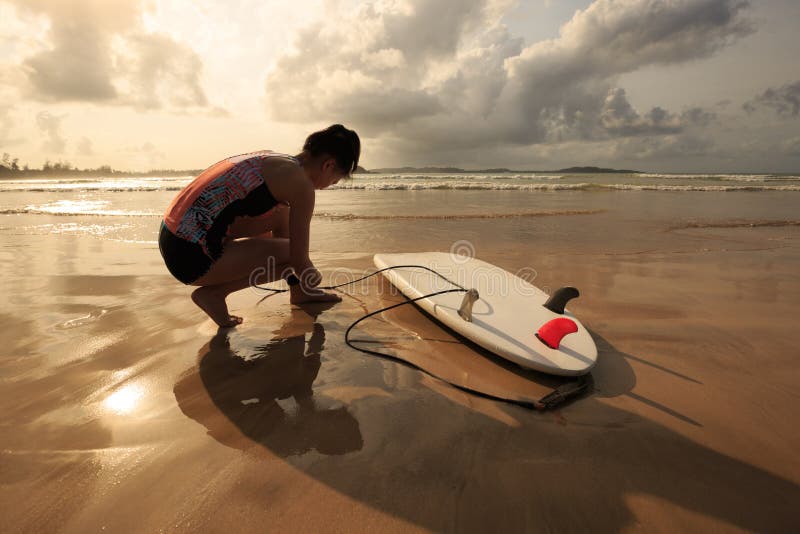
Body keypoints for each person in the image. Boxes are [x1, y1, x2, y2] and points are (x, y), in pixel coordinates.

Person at [158, 124, 360, 327]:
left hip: (172, 238)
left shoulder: (276, 160)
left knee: (282, 213)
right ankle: (215, 293)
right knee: (291, 255)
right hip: (191, 257)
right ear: (328, 165)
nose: (332, 184)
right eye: (336, 179)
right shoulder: (301, 185)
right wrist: (311, 275)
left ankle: (300, 292)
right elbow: (299, 261)